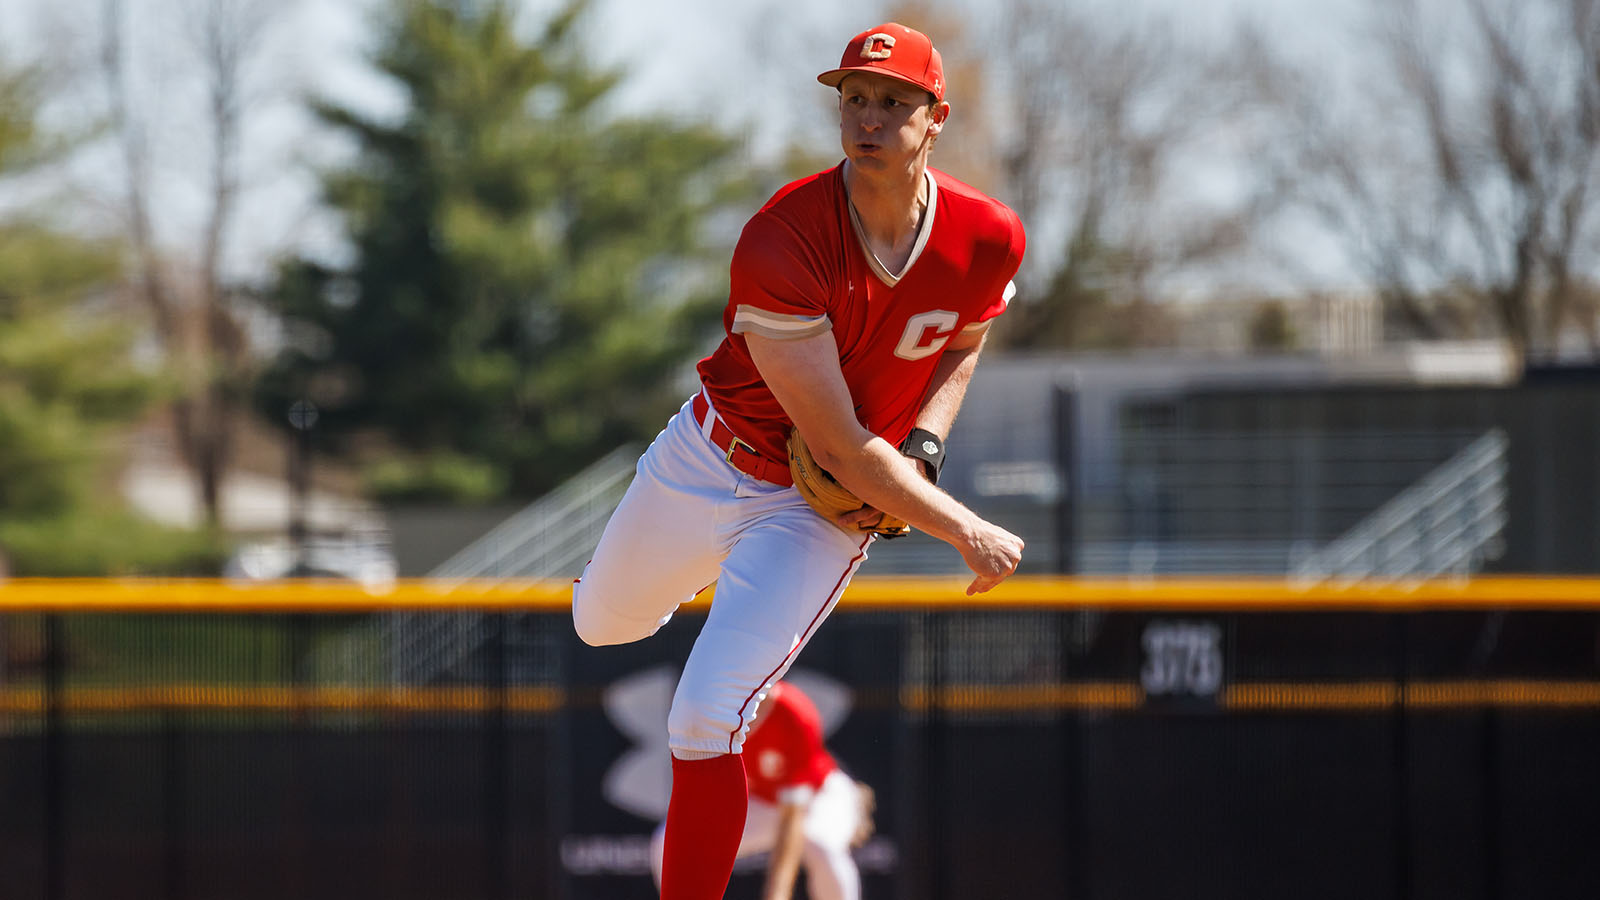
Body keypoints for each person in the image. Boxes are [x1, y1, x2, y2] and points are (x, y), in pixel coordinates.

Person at [572, 21, 1026, 900]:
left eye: (894, 101)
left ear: (936, 116)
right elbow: (843, 447)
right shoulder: (786, 236)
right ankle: (697, 572)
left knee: (704, 719)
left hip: (808, 516)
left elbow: (967, 336)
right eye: (854, 97)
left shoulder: (988, 236)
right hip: (710, 458)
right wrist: (963, 526)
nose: (868, 115)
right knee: (601, 624)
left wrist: (926, 446)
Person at [648, 680, 874, 900]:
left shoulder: (794, 712)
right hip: (762, 801)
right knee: (667, 842)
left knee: (824, 847)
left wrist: (778, 892)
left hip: (819, 799)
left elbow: (793, 815)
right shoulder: (714, 714)